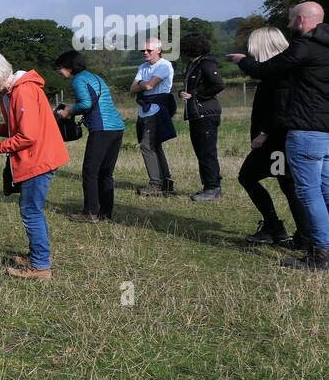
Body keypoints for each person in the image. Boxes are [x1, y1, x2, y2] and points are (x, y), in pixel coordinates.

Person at [229, 1, 329, 270]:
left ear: (300, 20)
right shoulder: (317, 53)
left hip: (297, 135)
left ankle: (314, 248)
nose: (288, 25)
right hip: (318, 131)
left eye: (291, 20)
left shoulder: (295, 60)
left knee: (304, 192)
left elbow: (277, 97)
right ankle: (306, 239)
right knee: (308, 189)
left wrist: (243, 62)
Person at [0, 51, 69, 280]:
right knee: (32, 210)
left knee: (31, 212)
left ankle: (40, 266)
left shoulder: (23, 91)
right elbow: (19, 126)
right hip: (39, 156)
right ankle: (38, 256)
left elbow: (27, 136)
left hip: (39, 158)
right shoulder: (15, 90)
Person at [233, 27, 308, 248]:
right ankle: (292, 232)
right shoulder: (279, 72)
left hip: (276, 140)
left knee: (251, 177)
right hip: (279, 139)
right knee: (287, 184)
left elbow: (283, 110)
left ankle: (279, 228)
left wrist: (264, 134)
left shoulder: (280, 74)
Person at [56, 50, 125, 222]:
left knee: (90, 171)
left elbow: (86, 103)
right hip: (117, 127)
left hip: (102, 129)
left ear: (69, 67)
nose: (58, 72)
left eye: (60, 68)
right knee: (105, 173)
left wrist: (68, 111)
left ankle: (90, 212)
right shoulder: (95, 77)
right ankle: (105, 214)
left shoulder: (78, 80)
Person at [180, 33, 225, 201]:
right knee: (202, 151)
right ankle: (210, 185)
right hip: (197, 113)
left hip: (205, 113)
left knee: (206, 152)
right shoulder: (195, 64)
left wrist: (196, 95)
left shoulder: (205, 63)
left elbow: (218, 84)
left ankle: (213, 188)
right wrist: (184, 93)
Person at [131, 37, 177, 196]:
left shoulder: (164, 65)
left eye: (148, 50)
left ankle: (155, 184)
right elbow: (132, 88)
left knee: (147, 145)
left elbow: (149, 85)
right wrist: (145, 83)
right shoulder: (143, 66)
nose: (145, 52)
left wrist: (142, 83)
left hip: (157, 111)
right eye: (143, 50)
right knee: (155, 146)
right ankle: (166, 182)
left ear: (159, 50)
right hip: (144, 110)